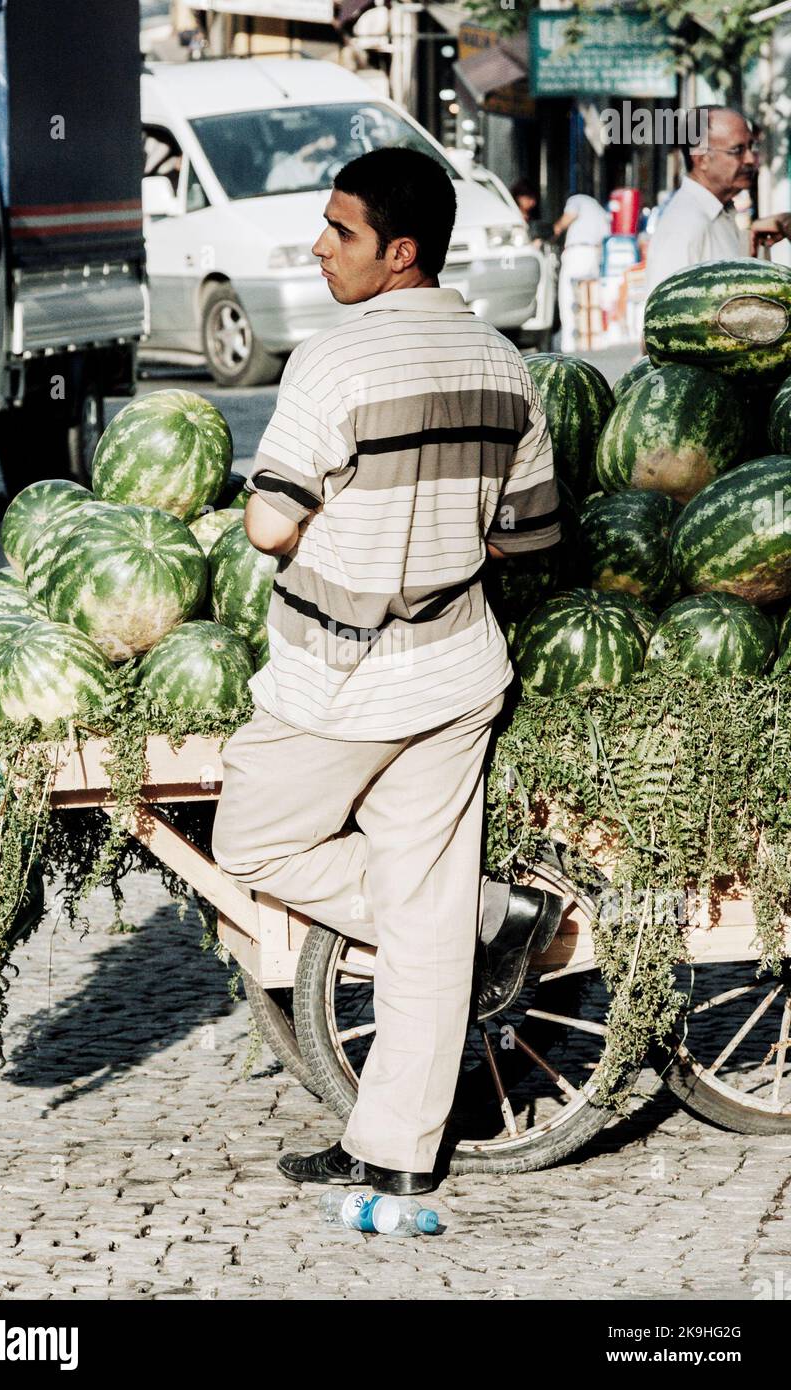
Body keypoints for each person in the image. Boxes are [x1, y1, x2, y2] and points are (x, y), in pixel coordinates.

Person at [211, 147, 564, 1195]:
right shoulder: (506, 365)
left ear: (399, 253)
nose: (320, 247)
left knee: (253, 837)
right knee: (423, 901)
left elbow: (271, 524)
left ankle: (480, 916)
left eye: (341, 233)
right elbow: (531, 535)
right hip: (456, 674)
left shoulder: (332, 363)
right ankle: (395, 1151)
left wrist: (305, 517)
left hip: (342, 680)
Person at [644, 106, 757, 295]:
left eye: (751, 147)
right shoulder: (684, 224)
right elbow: (664, 317)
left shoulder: (721, 211)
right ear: (701, 158)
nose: (750, 159)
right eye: (738, 150)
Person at [553, 192, 609, 352]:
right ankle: (591, 341)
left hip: (576, 251)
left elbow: (569, 216)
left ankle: (568, 345)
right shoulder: (599, 209)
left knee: (568, 298)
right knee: (589, 299)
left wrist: (554, 230)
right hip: (594, 254)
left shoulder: (575, 200)